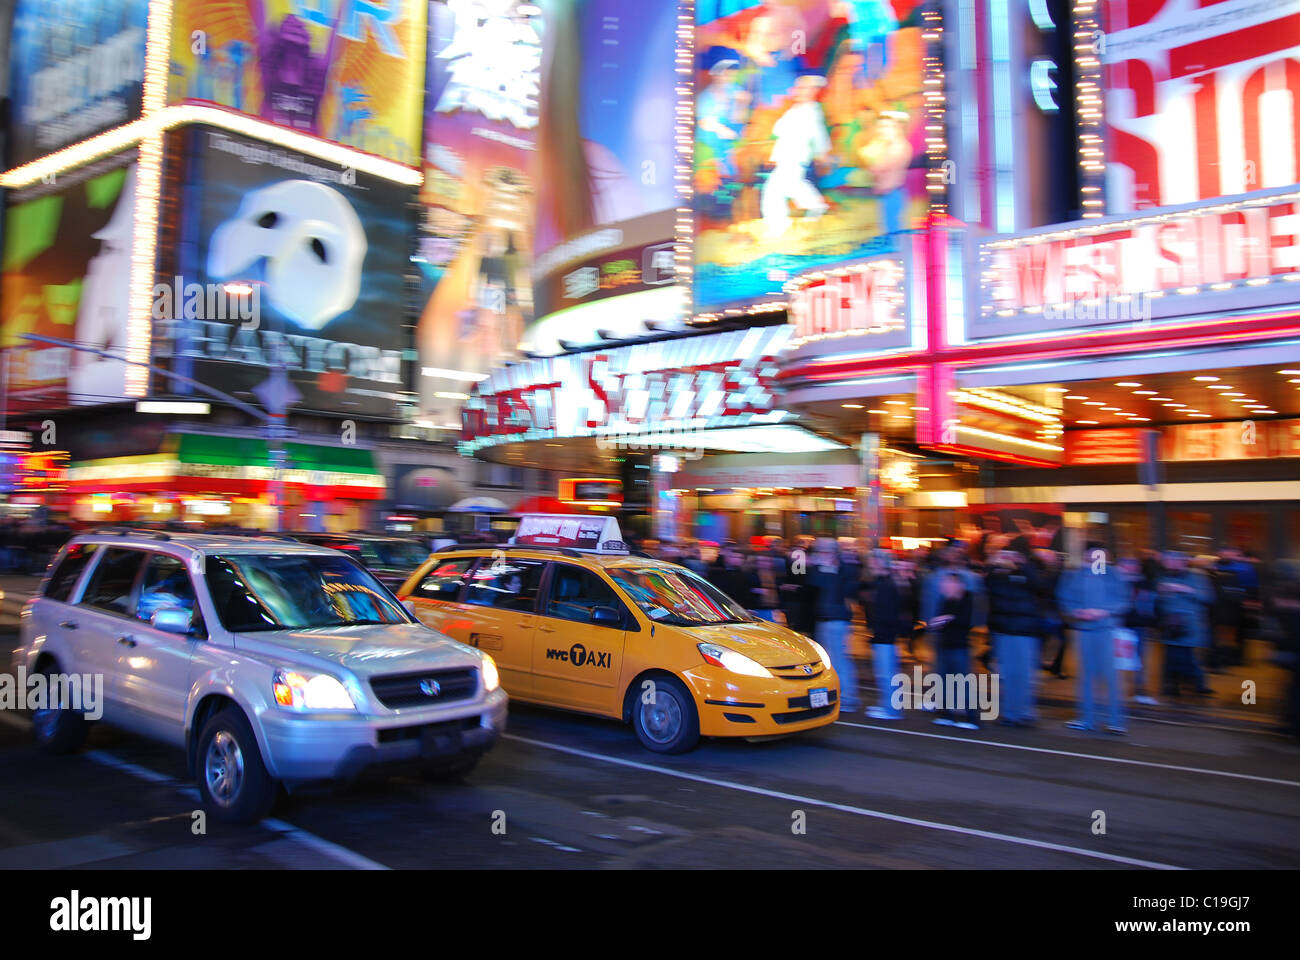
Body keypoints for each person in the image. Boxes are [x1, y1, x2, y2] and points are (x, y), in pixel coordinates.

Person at [1057, 543, 1132, 734]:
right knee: (1087, 677)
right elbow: (1064, 598)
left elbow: (1123, 600)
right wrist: (1077, 612)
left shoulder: (1113, 574)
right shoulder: (1074, 574)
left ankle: (1115, 720)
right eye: (1093, 555)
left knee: (1110, 677)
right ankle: (1087, 718)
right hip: (1084, 630)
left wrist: (1104, 612)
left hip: (1107, 630)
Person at [986, 546, 1042, 727]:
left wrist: (1023, 565)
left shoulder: (1028, 575)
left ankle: (1024, 710)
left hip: (1025, 631)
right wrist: (994, 565)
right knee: (1009, 675)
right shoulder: (998, 577)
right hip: (1006, 631)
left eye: (1014, 555)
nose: (1009, 559)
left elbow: (1040, 585)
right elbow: (989, 584)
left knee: (1024, 675)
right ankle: (1011, 713)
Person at [809, 538, 862, 713]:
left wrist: (828, 569)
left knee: (840, 659)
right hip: (825, 619)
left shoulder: (844, 569)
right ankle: (839, 693)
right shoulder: (823, 568)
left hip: (837, 620)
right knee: (830, 660)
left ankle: (849, 697)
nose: (820, 554)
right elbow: (811, 581)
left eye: (823, 550)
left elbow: (843, 590)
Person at [1157, 551, 1215, 697]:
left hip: (1190, 624)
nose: (1169, 564)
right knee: (1171, 656)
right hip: (1170, 623)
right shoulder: (1163, 577)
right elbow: (1157, 601)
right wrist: (1161, 594)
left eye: (1172, 561)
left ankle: (1196, 684)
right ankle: (1172, 686)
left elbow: (1208, 598)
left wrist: (1185, 590)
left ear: (1182, 561)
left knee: (1188, 655)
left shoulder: (1197, 577)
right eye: (1167, 561)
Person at [864, 549, 903, 720]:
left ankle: (891, 709)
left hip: (885, 635)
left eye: (873, 561)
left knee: (886, 673)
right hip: (885, 634)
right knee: (886, 672)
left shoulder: (886, 584)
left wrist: (878, 633)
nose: (870, 564)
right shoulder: (884, 582)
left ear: (880, 563)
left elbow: (886, 613)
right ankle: (888, 706)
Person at [1118, 555, 1160, 705]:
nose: (1132, 567)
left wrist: (1150, 621)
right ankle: (1118, 688)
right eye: (1128, 563)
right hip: (1120, 625)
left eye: (1134, 564)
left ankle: (1139, 689)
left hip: (1139, 625)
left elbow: (1150, 603)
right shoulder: (1115, 580)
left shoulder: (1144, 582)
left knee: (1139, 659)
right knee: (1118, 659)